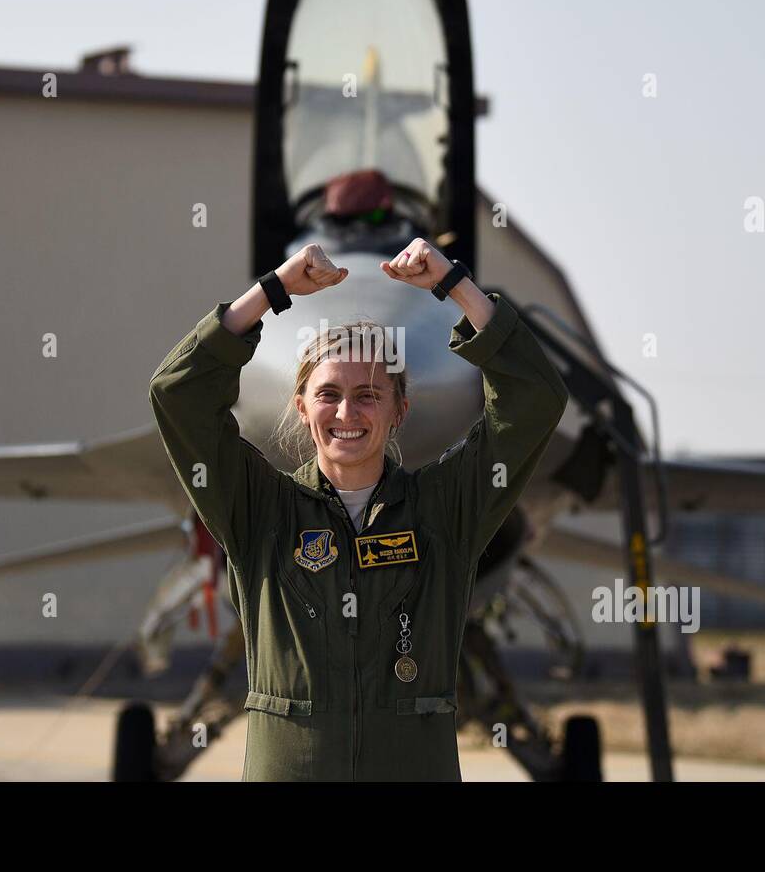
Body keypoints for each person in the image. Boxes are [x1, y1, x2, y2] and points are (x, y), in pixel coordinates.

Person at [148, 237, 569, 780]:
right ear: (301, 407)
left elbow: (534, 398)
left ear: (400, 410)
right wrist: (273, 290)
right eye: (328, 394)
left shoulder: (444, 512)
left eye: (370, 394)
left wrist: (455, 284)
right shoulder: (258, 511)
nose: (348, 411)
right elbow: (177, 393)